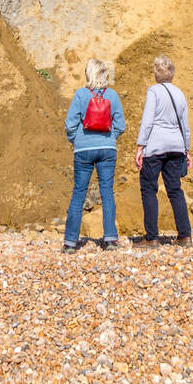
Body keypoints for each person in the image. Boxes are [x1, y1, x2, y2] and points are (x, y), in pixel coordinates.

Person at [63, 59, 125, 252]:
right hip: (107, 149)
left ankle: (70, 243)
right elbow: (121, 125)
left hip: (83, 150)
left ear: (88, 74)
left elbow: (69, 124)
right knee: (107, 192)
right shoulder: (112, 95)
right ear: (104, 74)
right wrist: (109, 139)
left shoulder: (81, 95)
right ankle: (110, 239)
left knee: (78, 193)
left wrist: (77, 140)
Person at [135, 54, 192, 248]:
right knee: (175, 189)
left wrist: (140, 145)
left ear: (156, 74)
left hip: (156, 146)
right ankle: (185, 235)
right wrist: (187, 149)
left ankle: (151, 237)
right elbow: (185, 125)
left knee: (149, 188)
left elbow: (147, 120)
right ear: (172, 73)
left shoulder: (154, 91)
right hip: (176, 147)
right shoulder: (180, 94)